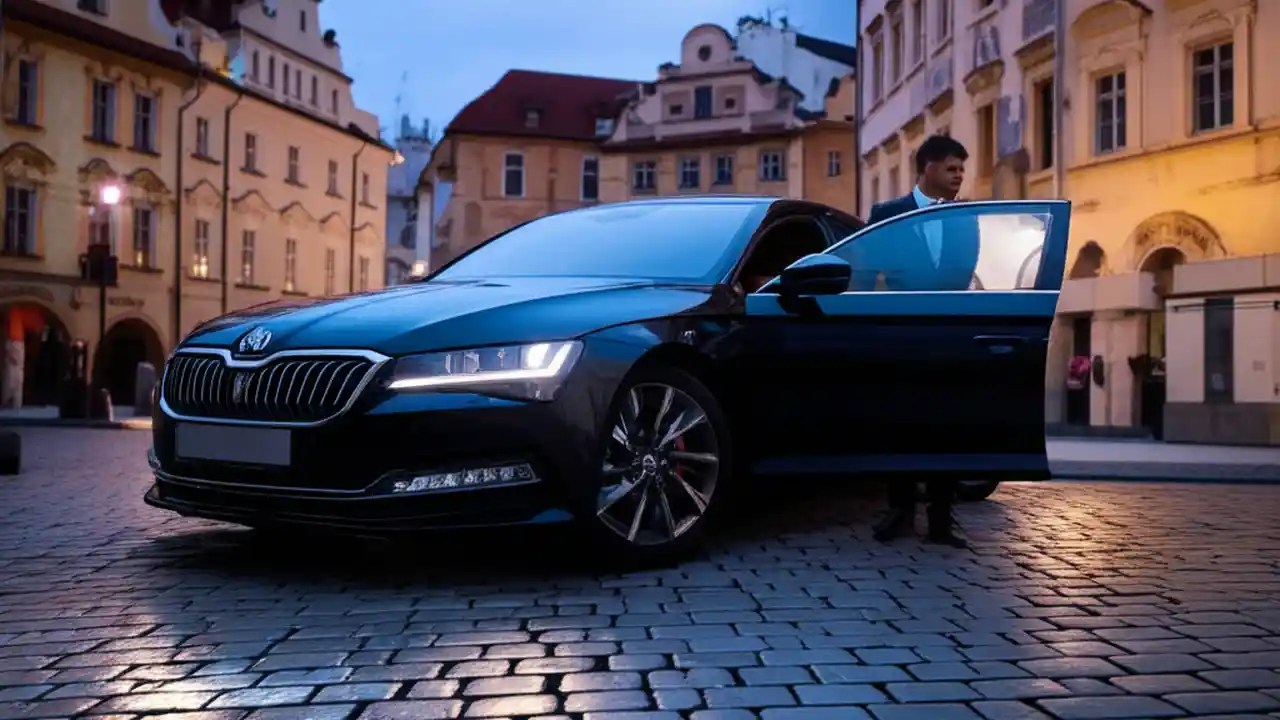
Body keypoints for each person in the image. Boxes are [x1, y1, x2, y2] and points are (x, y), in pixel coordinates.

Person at [868, 133, 973, 548]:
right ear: (928, 168)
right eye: (952, 168)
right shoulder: (887, 214)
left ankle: (942, 518)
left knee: (946, 428)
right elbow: (865, 272)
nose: (959, 176)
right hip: (900, 337)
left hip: (948, 337)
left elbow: (965, 271)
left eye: (962, 170)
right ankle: (900, 510)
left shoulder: (967, 217)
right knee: (901, 425)